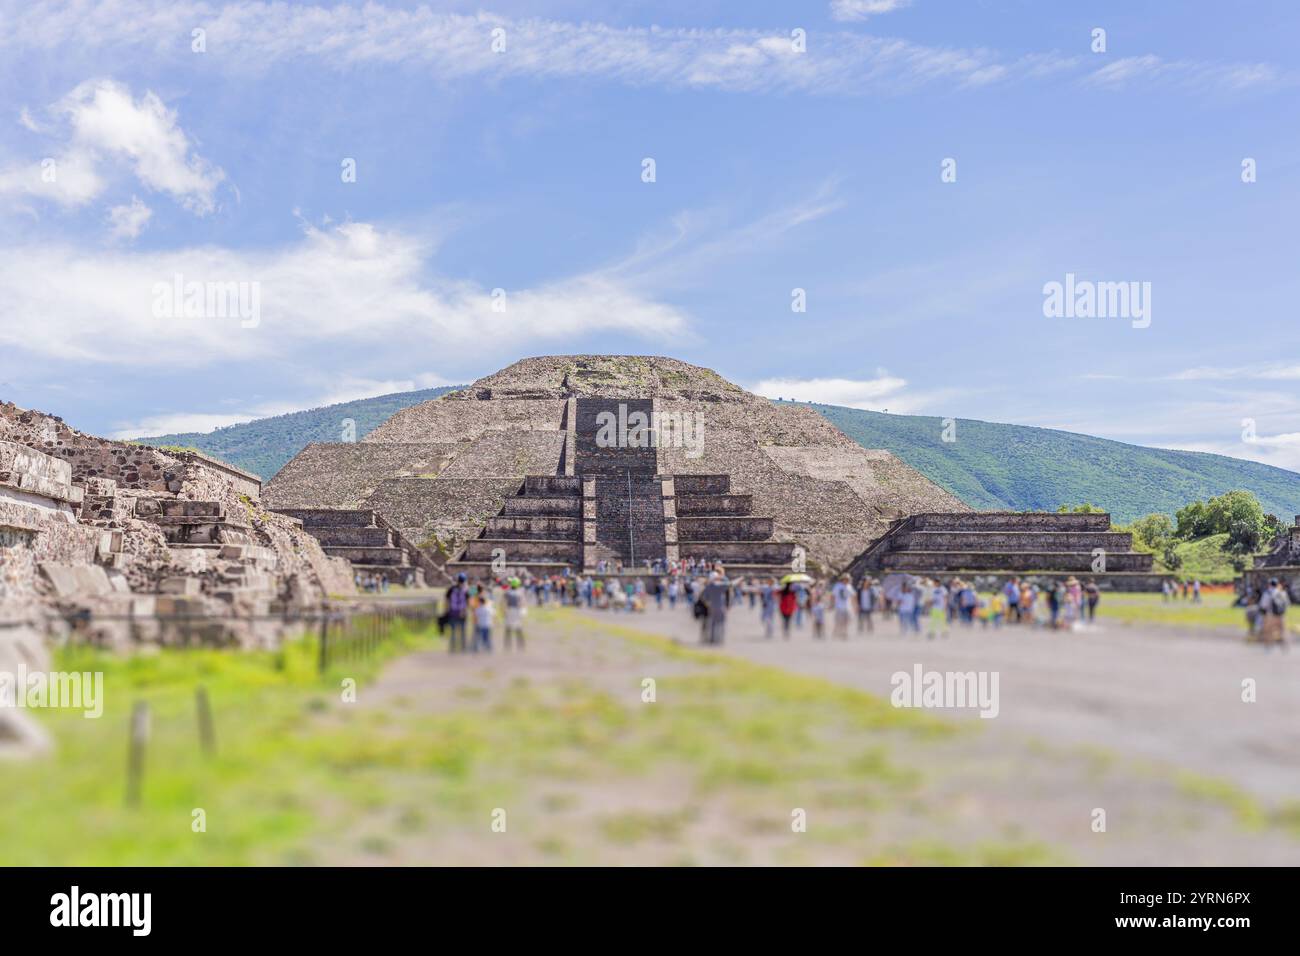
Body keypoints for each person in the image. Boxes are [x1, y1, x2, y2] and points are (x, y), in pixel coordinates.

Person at [1259, 578, 1290, 649]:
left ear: (1270, 585)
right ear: (1277, 584)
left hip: (1271, 615)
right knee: (1283, 630)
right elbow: (1287, 604)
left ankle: (1269, 645)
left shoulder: (1267, 593)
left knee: (1269, 631)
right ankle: (1285, 645)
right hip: (1281, 615)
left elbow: (1263, 605)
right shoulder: (1282, 592)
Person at [701, 571, 730, 645]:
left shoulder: (708, 586)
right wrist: (722, 577)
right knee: (721, 623)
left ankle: (712, 638)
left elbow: (703, 597)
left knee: (713, 624)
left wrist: (708, 605)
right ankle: (719, 639)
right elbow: (729, 584)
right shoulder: (720, 585)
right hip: (720, 607)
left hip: (712, 607)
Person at [446, 573, 469, 653]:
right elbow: (470, 600)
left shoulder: (451, 589)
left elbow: (447, 601)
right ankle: (463, 649)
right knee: (462, 633)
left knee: (453, 633)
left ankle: (453, 649)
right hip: (462, 614)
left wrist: (447, 611)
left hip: (452, 613)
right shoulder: (466, 590)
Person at [503, 581, 525, 651]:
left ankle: (507, 645)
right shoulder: (520, 593)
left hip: (509, 610)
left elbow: (504, 602)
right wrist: (522, 611)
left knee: (508, 628)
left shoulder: (507, 592)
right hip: (517, 611)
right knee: (518, 628)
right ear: (517, 585)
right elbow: (522, 603)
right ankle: (521, 645)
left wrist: (504, 611)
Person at [832, 574, 853, 639]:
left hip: (847, 606)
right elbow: (833, 596)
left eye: (848, 579)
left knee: (848, 620)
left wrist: (855, 606)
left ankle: (844, 632)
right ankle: (839, 633)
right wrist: (832, 604)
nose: (847, 580)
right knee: (839, 621)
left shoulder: (849, 586)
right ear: (842, 579)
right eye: (846, 579)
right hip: (839, 606)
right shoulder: (837, 586)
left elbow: (853, 596)